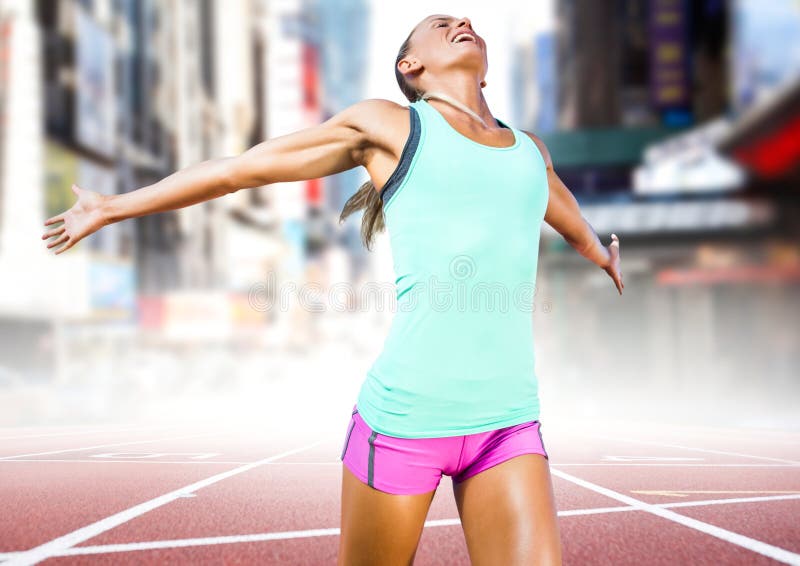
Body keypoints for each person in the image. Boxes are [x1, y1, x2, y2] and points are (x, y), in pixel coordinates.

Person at [42, 13, 623, 565]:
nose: (459, 24)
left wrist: (603, 254)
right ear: (410, 68)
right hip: (405, 421)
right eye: (438, 27)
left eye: (463, 22)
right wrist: (112, 207)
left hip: (509, 420)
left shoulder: (530, 152)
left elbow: (571, 222)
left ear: (487, 70)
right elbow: (238, 170)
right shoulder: (390, 126)